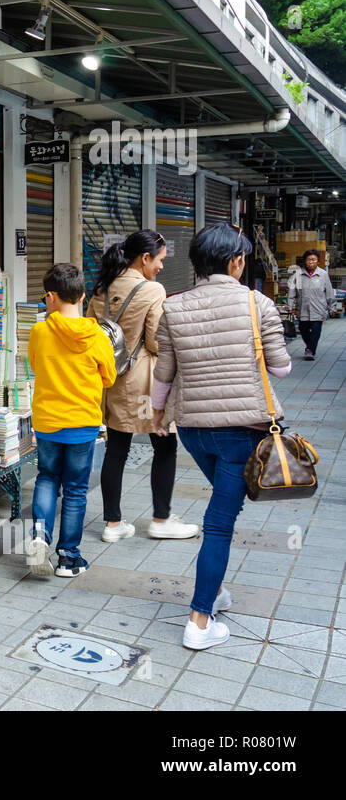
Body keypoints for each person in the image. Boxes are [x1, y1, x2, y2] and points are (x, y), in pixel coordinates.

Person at [152, 223, 292, 650]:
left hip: (193, 429)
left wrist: (158, 415)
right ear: (235, 261)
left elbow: (164, 374)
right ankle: (198, 621)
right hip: (240, 432)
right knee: (219, 525)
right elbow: (281, 368)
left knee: (222, 512)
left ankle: (213, 591)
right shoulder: (257, 303)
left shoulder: (173, 308)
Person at [87, 230, 198, 543]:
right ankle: (161, 519)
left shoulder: (102, 288)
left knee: (116, 449)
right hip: (147, 381)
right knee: (165, 446)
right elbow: (155, 340)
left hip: (112, 379)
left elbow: (93, 335)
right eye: (160, 260)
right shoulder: (152, 290)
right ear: (145, 258)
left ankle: (112, 524)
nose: (162, 266)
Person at [26, 263, 118, 578]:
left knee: (47, 478)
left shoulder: (39, 331)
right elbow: (109, 378)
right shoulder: (97, 336)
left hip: (48, 422)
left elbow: (36, 365)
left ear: (51, 297)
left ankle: (39, 536)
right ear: (82, 296)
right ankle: (68, 558)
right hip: (82, 423)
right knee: (76, 489)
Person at [289, 248, 332, 360]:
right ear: (305, 261)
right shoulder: (298, 275)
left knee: (316, 331)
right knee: (303, 330)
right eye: (309, 259)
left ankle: (310, 351)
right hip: (302, 308)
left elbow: (329, 292)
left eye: (314, 260)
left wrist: (330, 306)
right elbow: (292, 292)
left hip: (318, 308)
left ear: (318, 261)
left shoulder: (323, 274)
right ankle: (310, 347)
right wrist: (289, 306)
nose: (311, 262)